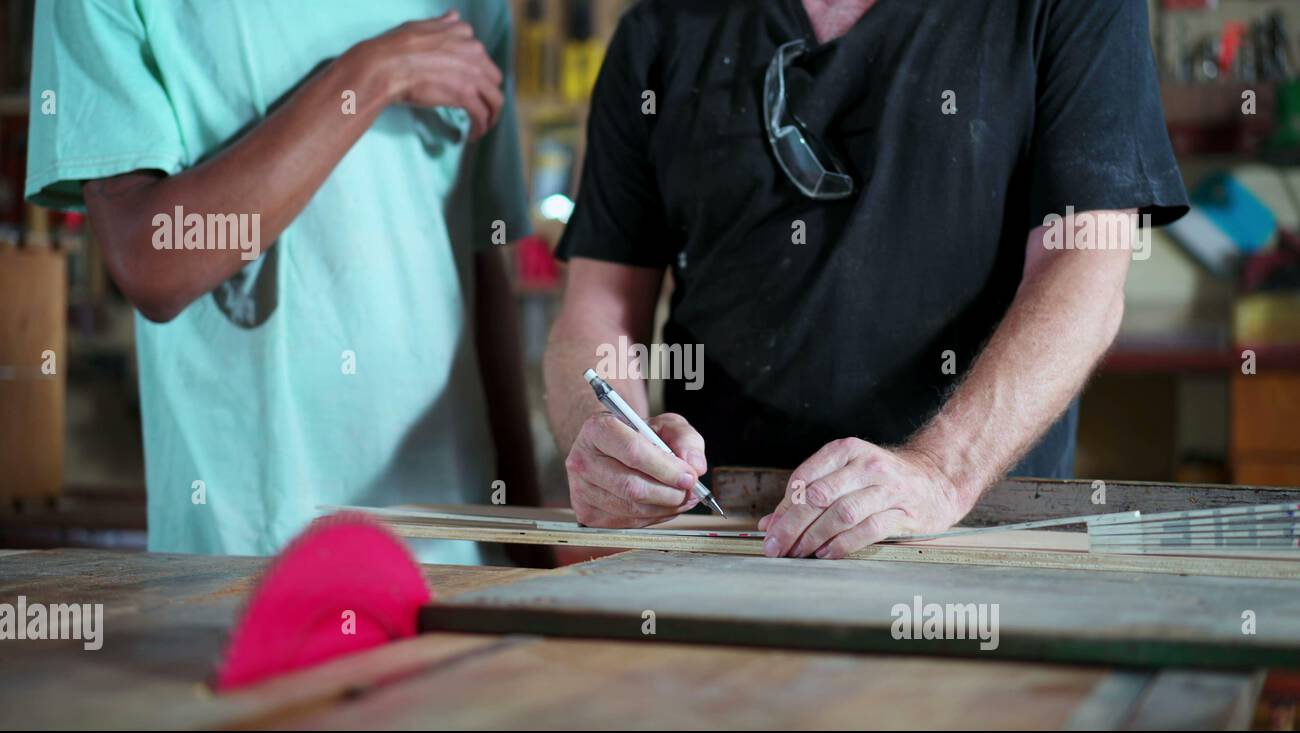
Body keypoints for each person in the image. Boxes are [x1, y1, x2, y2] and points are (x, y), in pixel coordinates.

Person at [544, 0, 1189, 558]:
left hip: (973, 547)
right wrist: (609, 447)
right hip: (727, 538)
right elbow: (597, 310)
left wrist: (940, 473)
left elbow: (1086, 265)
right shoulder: (660, 28)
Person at [26, 2, 538, 561]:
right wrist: (371, 75)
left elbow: (482, 267)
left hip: (455, 553)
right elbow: (154, 259)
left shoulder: (476, 7)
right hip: (240, 556)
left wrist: (529, 549)